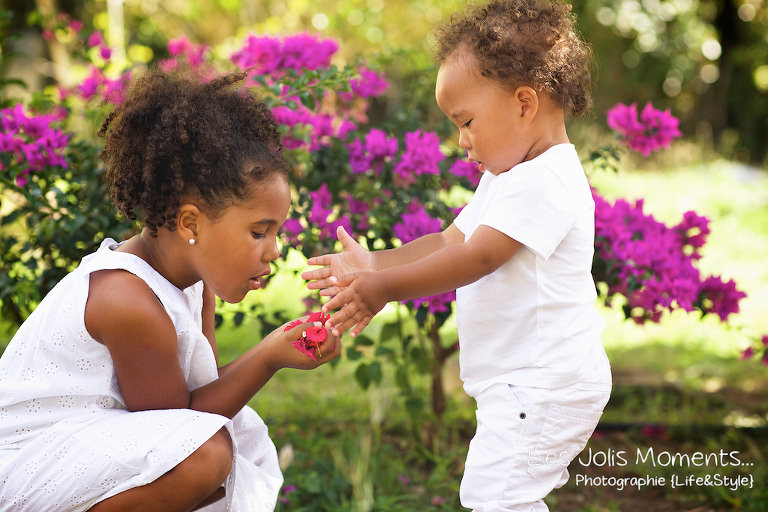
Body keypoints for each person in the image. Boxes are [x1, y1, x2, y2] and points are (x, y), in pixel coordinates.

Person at [302, 1, 612, 510]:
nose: (461, 141)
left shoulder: (547, 180)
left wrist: (385, 289)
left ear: (524, 103)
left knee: (496, 497)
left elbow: (479, 258)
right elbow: (452, 240)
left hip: (544, 382)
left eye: (466, 122)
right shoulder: (508, 177)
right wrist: (377, 263)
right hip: (523, 384)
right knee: (502, 497)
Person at [0, 69, 340, 512]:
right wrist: (271, 354)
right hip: (28, 461)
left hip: (91, 443)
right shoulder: (127, 299)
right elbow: (179, 432)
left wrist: (279, 348)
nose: (274, 251)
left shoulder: (193, 285)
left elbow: (202, 398)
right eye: (259, 232)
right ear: (190, 223)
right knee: (205, 457)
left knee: (231, 456)